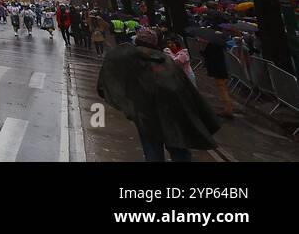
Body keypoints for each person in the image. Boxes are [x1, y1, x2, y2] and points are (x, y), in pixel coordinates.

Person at [98, 28, 221, 161]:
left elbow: (114, 71)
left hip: (145, 113)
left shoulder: (129, 58)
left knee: (152, 148)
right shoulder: (166, 61)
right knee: (177, 146)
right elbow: (183, 87)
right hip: (171, 113)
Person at [198, 31, 235, 119]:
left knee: (222, 89)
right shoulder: (219, 46)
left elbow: (207, 55)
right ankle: (227, 109)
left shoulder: (214, 45)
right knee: (222, 89)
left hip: (218, 71)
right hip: (220, 70)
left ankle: (228, 110)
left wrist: (201, 46)